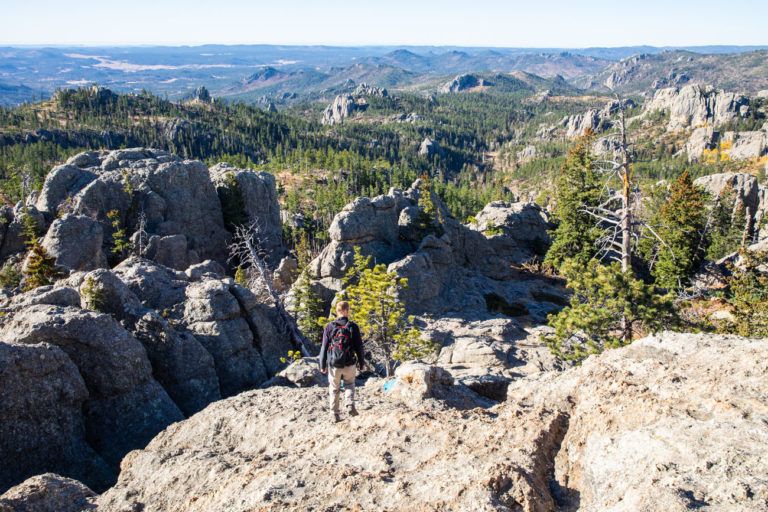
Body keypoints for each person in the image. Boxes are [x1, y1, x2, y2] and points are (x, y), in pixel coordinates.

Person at [319, 300, 365, 422]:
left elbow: (324, 347)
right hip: (349, 363)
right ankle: (349, 404)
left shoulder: (329, 327)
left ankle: (334, 414)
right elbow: (359, 347)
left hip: (334, 365)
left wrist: (322, 364)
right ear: (346, 310)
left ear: (337, 311)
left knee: (334, 388)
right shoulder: (353, 326)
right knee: (349, 384)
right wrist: (361, 363)